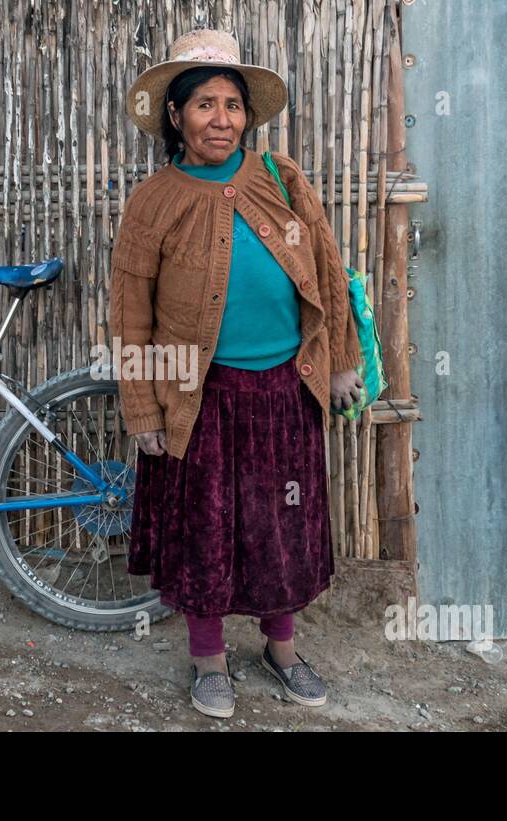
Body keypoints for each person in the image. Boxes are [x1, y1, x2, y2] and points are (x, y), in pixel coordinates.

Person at [108, 28, 364, 718]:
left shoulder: (281, 178)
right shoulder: (153, 203)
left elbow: (329, 276)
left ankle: (282, 648)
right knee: (206, 533)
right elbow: (131, 316)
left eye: (232, 105)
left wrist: (341, 362)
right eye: (204, 105)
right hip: (202, 398)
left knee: (281, 524)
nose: (221, 119)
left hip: (286, 387)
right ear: (175, 116)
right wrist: (144, 412)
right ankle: (209, 661)